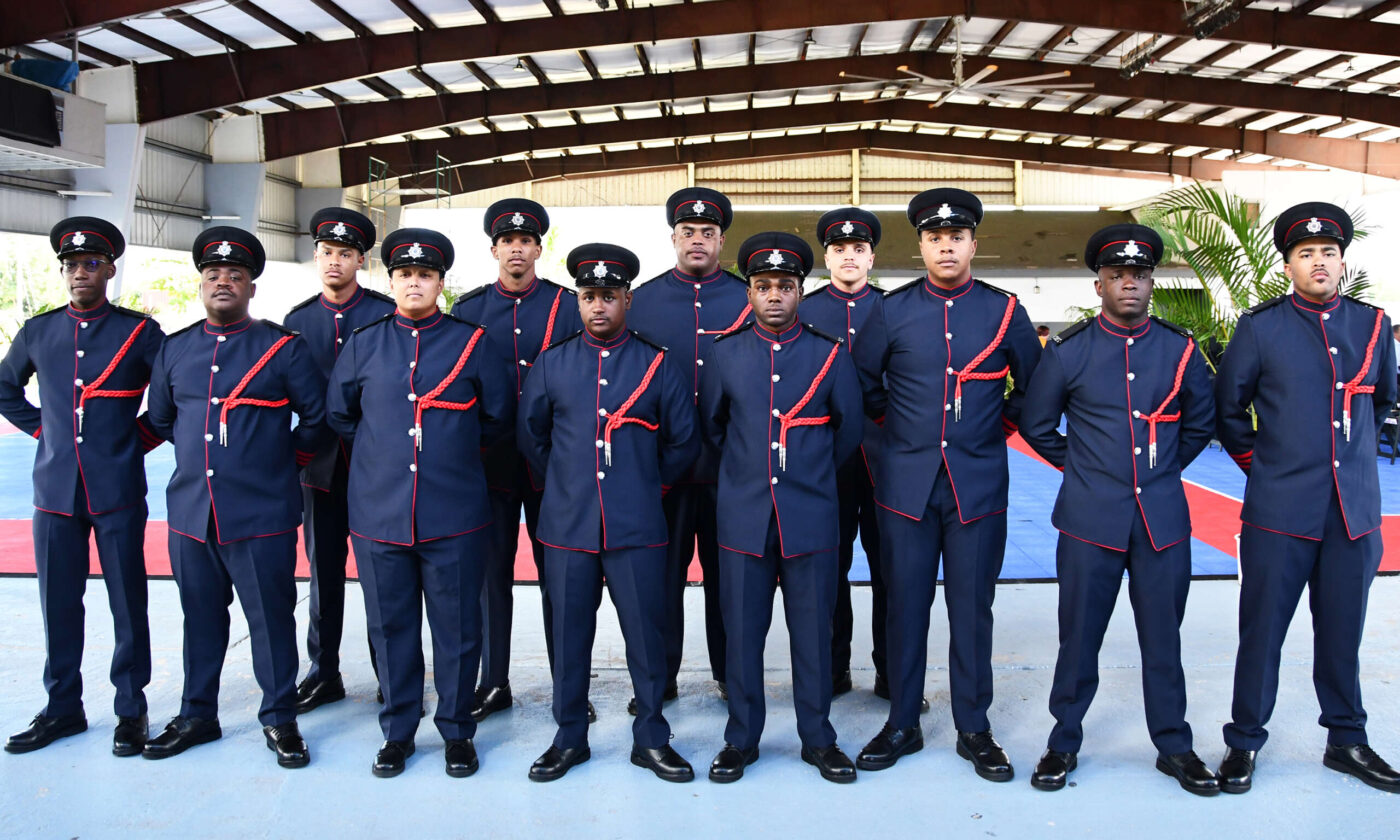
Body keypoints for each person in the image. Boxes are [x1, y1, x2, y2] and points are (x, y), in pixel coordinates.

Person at [1020, 224, 1220, 795]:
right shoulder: (1070, 350)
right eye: (1118, 276)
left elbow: (1200, 422)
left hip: (1161, 523)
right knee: (1078, 637)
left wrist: (1154, 475)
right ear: (1099, 282)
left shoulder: (1180, 349)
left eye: (1139, 275)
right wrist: (1086, 468)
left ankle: (1174, 746)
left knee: (1163, 638)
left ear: (1151, 281)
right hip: (1088, 522)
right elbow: (1037, 425)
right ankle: (1063, 742)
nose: (1129, 284)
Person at [852, 189, 1041, 781]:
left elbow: (1033, 389)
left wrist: (995, 427)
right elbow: (864, 385)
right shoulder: (891, 310)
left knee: (971, 609)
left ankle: (974, 727)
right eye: (935, 238)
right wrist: (905, 436)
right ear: (922, 245)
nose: (946, 246)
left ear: (972, 244)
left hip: (976, 488)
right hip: (905, 487)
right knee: (905, 607)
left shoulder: (1005, 310)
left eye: (956, 237)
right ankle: (902, 722)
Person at [1215, 202, 1400, 794]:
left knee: (1344, 631)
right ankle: (1244, 742)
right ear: (1288, 265)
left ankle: (1347, 740)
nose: (1318, 262)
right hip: (1280, 512)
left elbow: (1382, 403)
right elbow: (1228, 412)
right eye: (1305, 255)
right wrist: (1265, 469)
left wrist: (1351, 470)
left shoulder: (1373, 326)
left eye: (1327, 253)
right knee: (1262, 631)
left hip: (1353, 513)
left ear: (1342, 260)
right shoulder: (1260, 328)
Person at [328, 227, 515, 778]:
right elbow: (341, 414)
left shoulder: (471, 342)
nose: (415, 282)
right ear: (390, 280)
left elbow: (497, 417)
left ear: (440, 282)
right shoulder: (365, 342)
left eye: (425, 275)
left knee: (457, 629)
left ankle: (457, 731)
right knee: (391, 628)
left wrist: (449, 456)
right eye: (405, 274)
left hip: (453, 512)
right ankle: (398, 732)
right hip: (379, 514)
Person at [143, 227, 327, 767]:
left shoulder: (281, 348)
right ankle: (198, 714)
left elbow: (315, 421)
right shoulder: (175, 349)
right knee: (198, 618)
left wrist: (278, 467)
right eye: (213, 275)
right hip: (192, 514)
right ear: (201, 284)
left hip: (262, 514)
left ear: (251, 287)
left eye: (235, 276)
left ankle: (280, 719)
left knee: (271, 620)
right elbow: (160, 419)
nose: (223, 282)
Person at [517, 243, 700, 783]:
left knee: (647, 638)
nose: (599, 306)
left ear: (627, 300)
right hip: (569, 527)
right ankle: (569, 736)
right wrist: (569, 484)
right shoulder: (553, 362)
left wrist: (645, 487)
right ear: (578, 299)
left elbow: (682, 442)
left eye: (610, 296)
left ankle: (651, 737)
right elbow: (534, 436)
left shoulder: (657, 363)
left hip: (637, 524)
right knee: (570, 639)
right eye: (589, 295)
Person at [700, 231, 864, 784]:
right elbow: (714, 430)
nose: (774, 295)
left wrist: (807, 477)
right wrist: (751, 477)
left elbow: (847, 432)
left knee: (813, 634)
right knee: (743, 634)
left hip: (811, 515)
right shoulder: (723, 354)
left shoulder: (828, 354)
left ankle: (818, 738)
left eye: (786, 286)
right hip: (744, 517)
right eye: (763, 285)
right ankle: (741, 738)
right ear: (749, 292)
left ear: (801, 291)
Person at [0, 217, 164, 757]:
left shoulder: (138, 332)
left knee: (127, 601)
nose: (78, 273)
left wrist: (132, 439)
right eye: (71, 265)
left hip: (116, 489)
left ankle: (130, 710)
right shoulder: (40, 330)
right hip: (54, 494)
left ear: (109, 269)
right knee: (58, 604)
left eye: (90, 263)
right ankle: (63, 707)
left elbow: (167, 399)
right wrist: (43, 429)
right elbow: (5, 387)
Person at [450, 199, 582, 722]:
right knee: (490, 579)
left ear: (538, 248)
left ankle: (567, 687)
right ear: (494, 249)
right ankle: (494, 681)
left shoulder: (567, 306)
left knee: (563, 582)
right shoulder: (470, 309)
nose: (517, 250)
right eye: (508, 241)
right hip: (491, 465)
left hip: (555, 466)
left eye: (526, 241)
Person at [628, 187, 750, 712]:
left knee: (731, 584)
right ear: (673, 238)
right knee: (661, 582)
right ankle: (662, 677)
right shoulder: (644, 300)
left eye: (707, 233)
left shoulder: (748, 298)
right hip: (664, 473)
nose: (696, 241)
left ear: (721, 239)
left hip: (733, 471)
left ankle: (729, 674)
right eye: (687, 232)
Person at [283, 207, 395, 712]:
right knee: (322, 573)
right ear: (316, 255)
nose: (335, 261)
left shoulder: (383, 313)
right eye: (327, 252)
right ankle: (323, 670)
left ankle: (390, 675)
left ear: (360, 260)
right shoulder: (298, 320)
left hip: (377, 467)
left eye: (345, 253)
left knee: (383, 577)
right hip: (320, 467)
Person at [798, 207, 886, 698]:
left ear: (872, 256)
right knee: (825, 571)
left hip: (886, 464)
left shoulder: (896, 309)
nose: (848, 257)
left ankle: (893, 672)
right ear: (826, 257)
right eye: (838, 249)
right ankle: (832, 671)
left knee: (891, 573)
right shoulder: (804, 311)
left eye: (858, 249)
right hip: (824, 464)